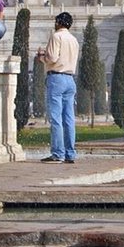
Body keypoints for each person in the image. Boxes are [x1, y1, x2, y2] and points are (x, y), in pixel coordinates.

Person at [36, 12, 80, 162]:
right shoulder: (74, 40)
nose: (54, 24)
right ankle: (70, 153)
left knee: (56, 118)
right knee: (69, 119)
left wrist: (42, 57)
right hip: (70, 80)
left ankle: (58, 153)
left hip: (57, 78)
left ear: (59, 23)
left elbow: (53, 58)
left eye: (56, 22)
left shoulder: (56, 36)